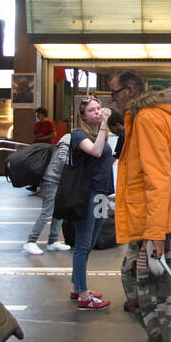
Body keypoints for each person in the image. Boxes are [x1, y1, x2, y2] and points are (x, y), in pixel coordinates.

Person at [107, 69, 171, 342]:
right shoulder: (147, 116)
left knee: (154, 290)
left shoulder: (148, 119)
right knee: (133, 277)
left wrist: (155, 232)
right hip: (150, 218)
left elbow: (158, 177)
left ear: (130, 90)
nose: (111, 99)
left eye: (114, 92)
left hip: (154, 222)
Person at [63, 97, 114, 310]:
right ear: (83, 116)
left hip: (102, 193)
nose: (96, 112)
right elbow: (96, 151)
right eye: (91, 110)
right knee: (83, 245)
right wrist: (103, 124)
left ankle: (77, 286)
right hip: (88, 194)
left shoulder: (99, 133)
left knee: (92, 241)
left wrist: (103, 128)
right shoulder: (78, 135)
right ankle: (84, 296)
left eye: (98, 108)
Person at [24, 131, 72, 256]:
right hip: (50, 180)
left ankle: (53, 241)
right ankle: (31, 241)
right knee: (47, 212)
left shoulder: (74, 138)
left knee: (59, 211)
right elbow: (62, 158)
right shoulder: (69, 138)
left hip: (59, 181)